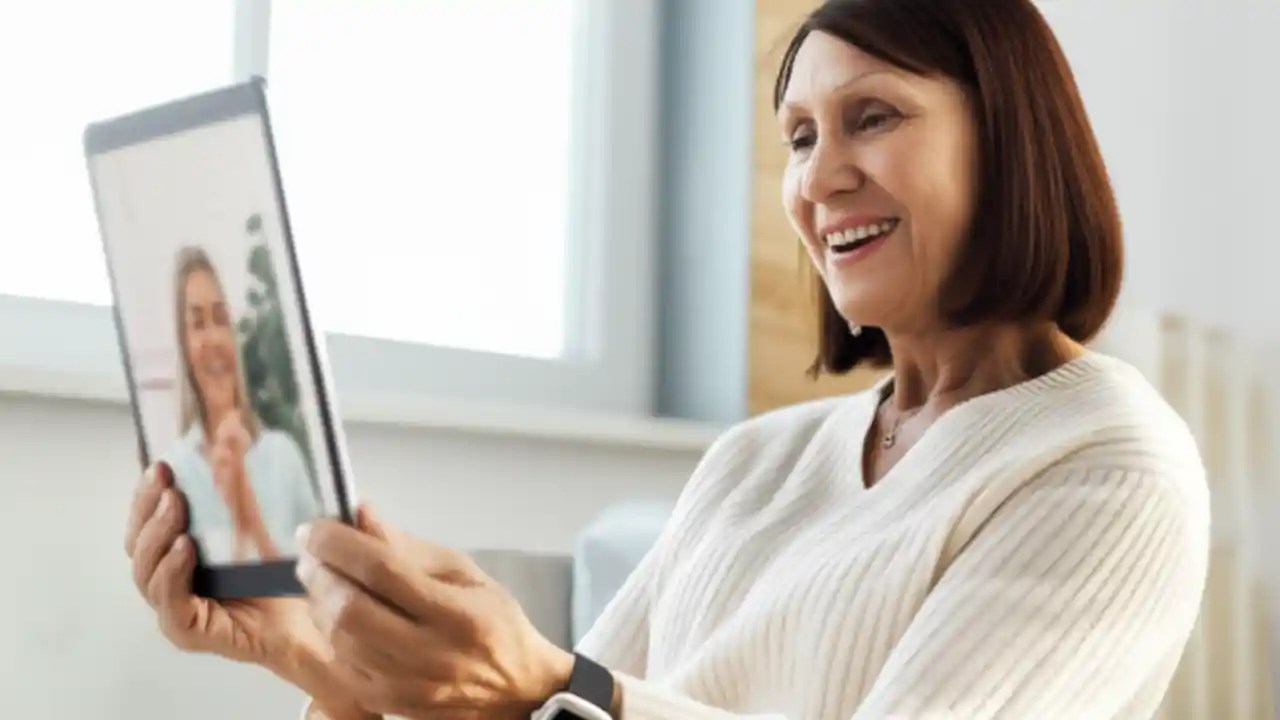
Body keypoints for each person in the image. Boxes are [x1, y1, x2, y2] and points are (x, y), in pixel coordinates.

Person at [124, 1, 1210, 718]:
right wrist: (307, 653)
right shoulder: (754, 462)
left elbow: (562, 699)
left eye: (869, 117)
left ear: (1008, 138)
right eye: (795, 137)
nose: (817, 178)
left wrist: (541, 680)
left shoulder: (1106, 466)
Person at [162, 245, 318, 564]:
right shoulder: (174, 474)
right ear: (184, 346)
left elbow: (320, 587)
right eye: (198, 324)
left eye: (221, 319)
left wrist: (248, 511)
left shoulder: (283, 456)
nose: (214, 339)